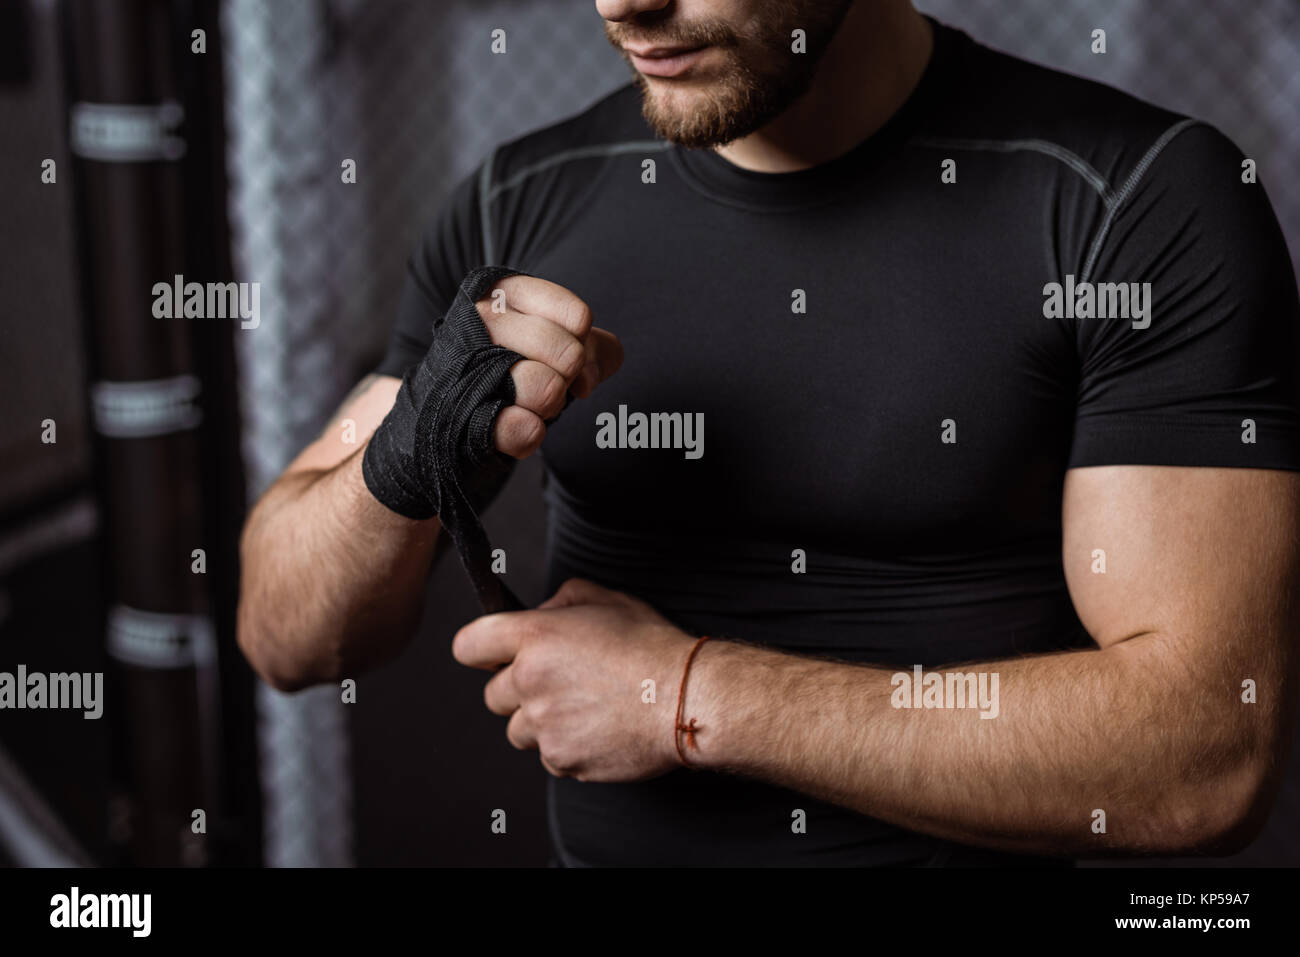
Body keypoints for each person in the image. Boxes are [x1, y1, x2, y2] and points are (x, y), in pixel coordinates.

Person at [237, 0, 1300, 866]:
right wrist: (402, 459)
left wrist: (686, 697)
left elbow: (1204, 755)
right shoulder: (518, 201)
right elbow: (288, 639)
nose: (624, 5)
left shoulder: (1135, 202)